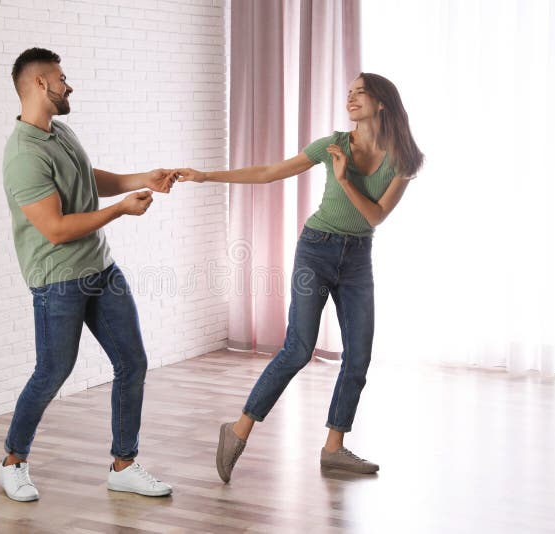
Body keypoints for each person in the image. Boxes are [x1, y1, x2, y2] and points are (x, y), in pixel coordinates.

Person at [178, 73, 424, 480]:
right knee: (297, 349)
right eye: (349, 92)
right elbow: (270, 172)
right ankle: (237, 432)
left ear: (382, 102)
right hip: (316, 249)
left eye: (360, 92)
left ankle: (334, 447)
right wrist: (206, 176)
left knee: (358, 358)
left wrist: (345, 180)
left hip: (358, 259)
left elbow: (376, 215)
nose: (351, 97)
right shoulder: (332, 146)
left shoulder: (405, 159)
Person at [0, 47, 176, 501]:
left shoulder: (61, 132)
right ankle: (13, 461)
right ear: (40, 84)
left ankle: (124, 464)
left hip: (101, 267)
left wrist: (142, 179)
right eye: (61, 78)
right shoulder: (22, 155)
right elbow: (55, 229)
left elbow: (88, 178)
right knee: (53, 372)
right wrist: (120, 211)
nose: (68, 84)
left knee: (132, 362)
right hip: (58, 278)